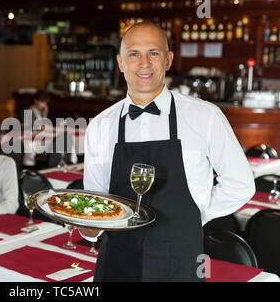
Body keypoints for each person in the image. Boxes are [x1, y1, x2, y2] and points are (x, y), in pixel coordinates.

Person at [81, 22, 255, 281]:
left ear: (168, 59)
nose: (144, 63)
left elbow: (240, 184)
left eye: (153, 53)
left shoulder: (205, 116)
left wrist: (196, 214)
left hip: (180, 259)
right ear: (120, 62)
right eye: (134, 54)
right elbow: (95, 198)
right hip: (117, 261)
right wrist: (87, 227)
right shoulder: (100, 125)